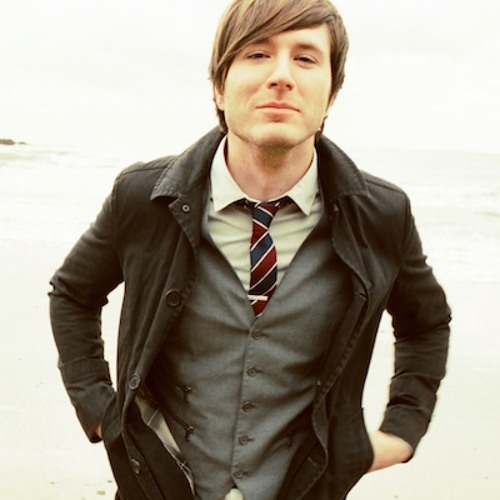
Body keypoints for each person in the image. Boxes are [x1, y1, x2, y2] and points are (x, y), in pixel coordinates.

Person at [49, 0, 451, 499]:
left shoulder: (382, 215)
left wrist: (402, 430)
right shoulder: (143, 199)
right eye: (257, 54)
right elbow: (73, 293)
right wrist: (99, 410)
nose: (281, 76)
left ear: (331, 92)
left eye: (305, 58)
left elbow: (426, 322)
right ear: (219, 86)